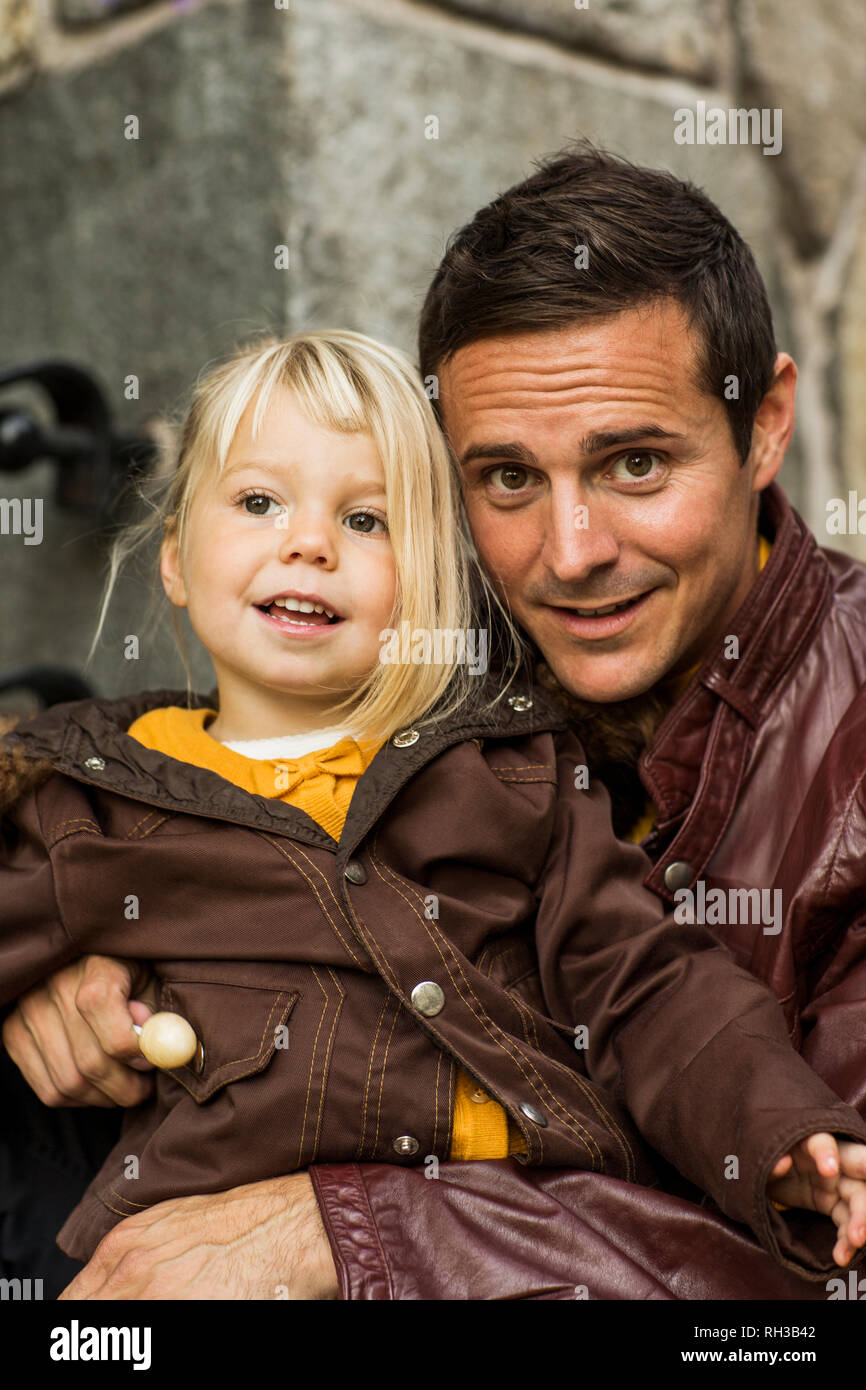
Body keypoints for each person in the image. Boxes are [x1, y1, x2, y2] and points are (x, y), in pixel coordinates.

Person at [5, 144, 866, 1301]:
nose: (569, 554)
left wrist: (363, 1231)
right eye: (505, 479)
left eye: (635, 462)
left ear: (762, 423)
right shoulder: (421, 676)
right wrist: (70, 973)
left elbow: (819, 1276)